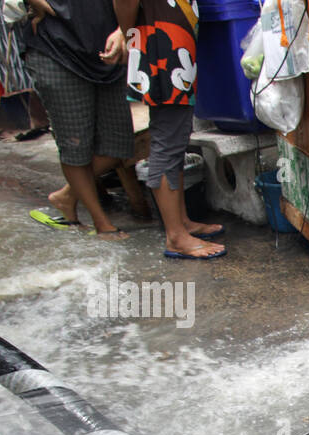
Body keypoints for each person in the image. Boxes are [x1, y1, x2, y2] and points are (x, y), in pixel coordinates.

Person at [116, 0, 225, 260]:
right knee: (167, 139)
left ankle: (182, 222)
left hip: (173, 44)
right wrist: (128, 34)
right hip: (161, 46)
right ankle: (175, 236)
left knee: (176, 137)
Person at [19, 0, 134, 238]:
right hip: (54, 46)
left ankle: (67, 196)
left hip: (105, 41)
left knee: (118, 144)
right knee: (75, 142)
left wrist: (124, 29)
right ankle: (101, 223)